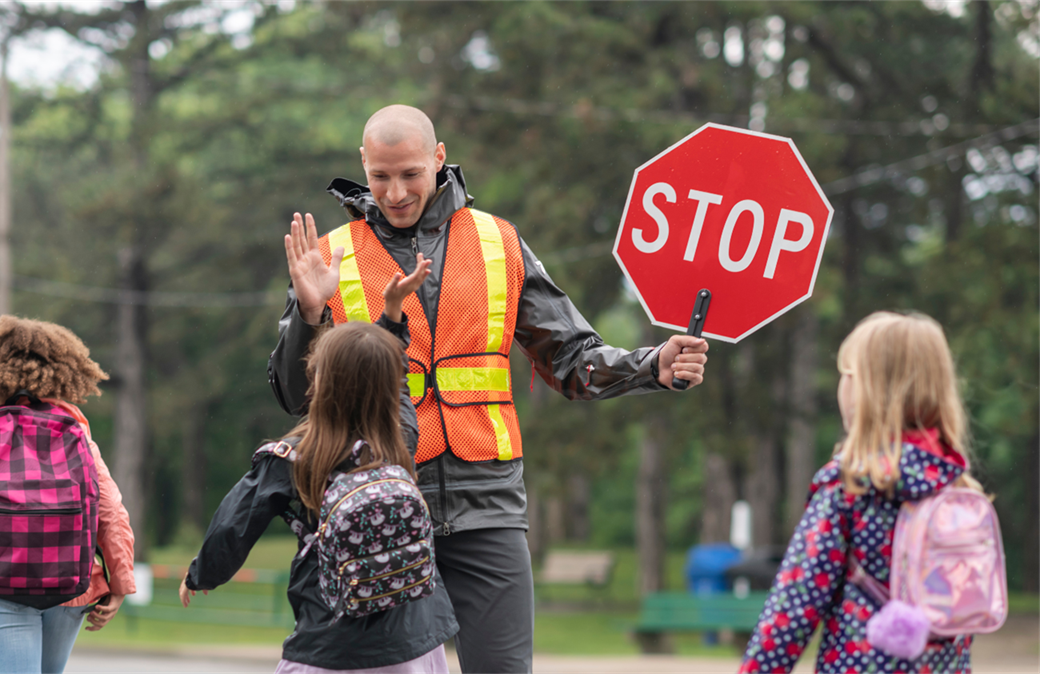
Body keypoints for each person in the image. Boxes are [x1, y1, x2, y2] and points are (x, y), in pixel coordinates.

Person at [269, 104, 709, 672]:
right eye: (381, 176)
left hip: (489, 506)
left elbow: (573, 359)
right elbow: (292, 396)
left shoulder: (499, 243)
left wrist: (652, 363)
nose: (396, 192)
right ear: (363, 164)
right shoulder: (328, 258)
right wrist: (307, 311)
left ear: (439, 158)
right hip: (381, 510)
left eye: (410, 174)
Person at [183, 265, 460, 673]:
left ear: (318, 382)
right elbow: (394, 380)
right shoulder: (399, 440)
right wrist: (393, 315)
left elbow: (235, 522)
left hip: (330, 644)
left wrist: (201, 575)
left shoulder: (294, 458)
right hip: (416, 641)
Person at [739, 312, 979, 674]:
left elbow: (793, 609)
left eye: (846, 375)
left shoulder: (849, 488)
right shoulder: (956, 489)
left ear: (864, 389)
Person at [0, 316, 137, 674]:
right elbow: (109, 508)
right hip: (70, 584)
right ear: (59, 369)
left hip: (1, 581)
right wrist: (120, 580)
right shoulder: (76, 432)